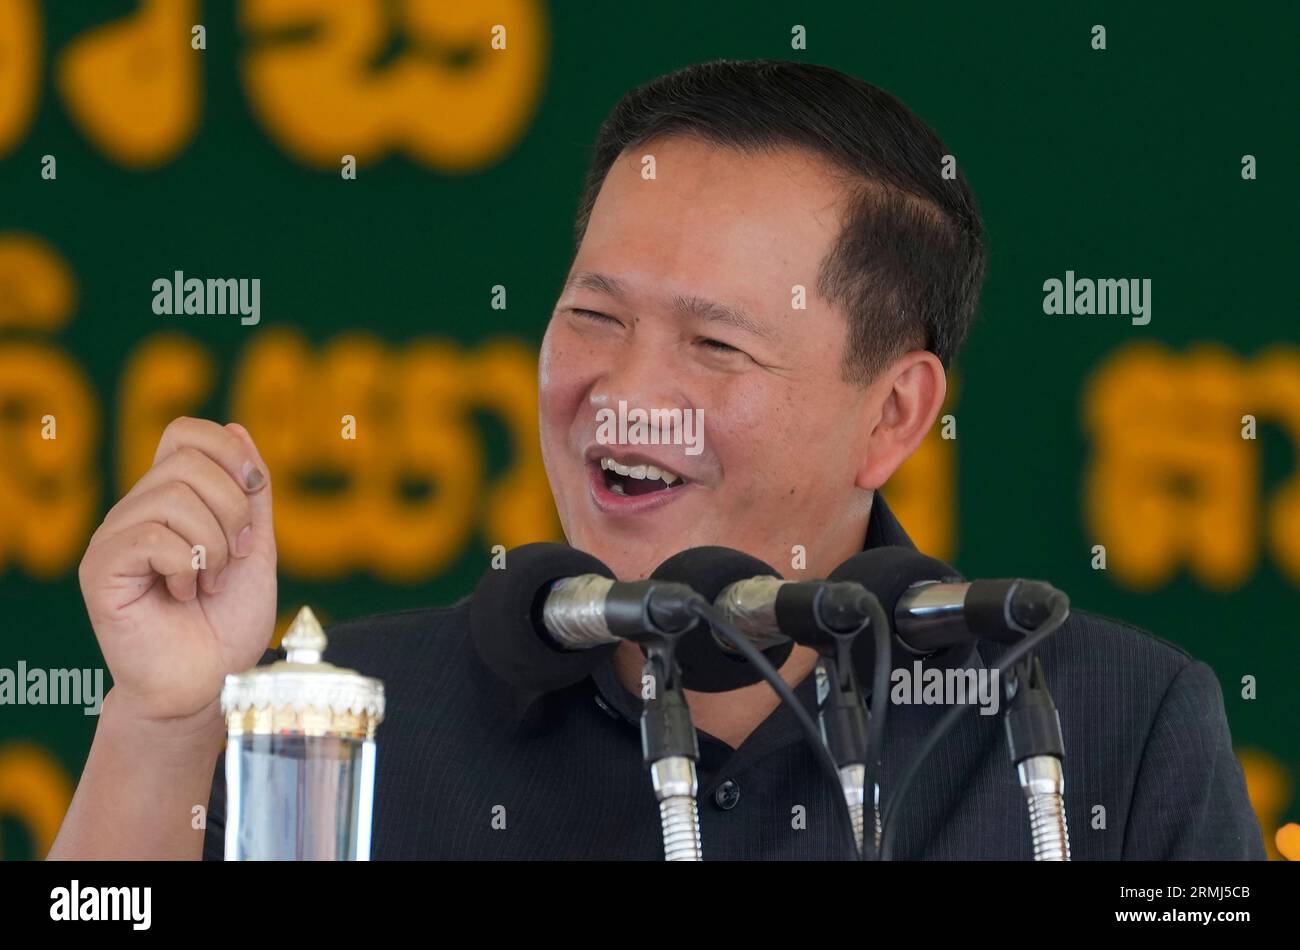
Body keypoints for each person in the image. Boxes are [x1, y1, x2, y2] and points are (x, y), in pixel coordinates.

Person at [49, 59, 1264, 860]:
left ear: (893, 413)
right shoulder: (346, 714)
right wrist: (164, 719)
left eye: (716, 343)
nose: (623, 396)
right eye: (592, 316)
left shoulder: (1103, 721)